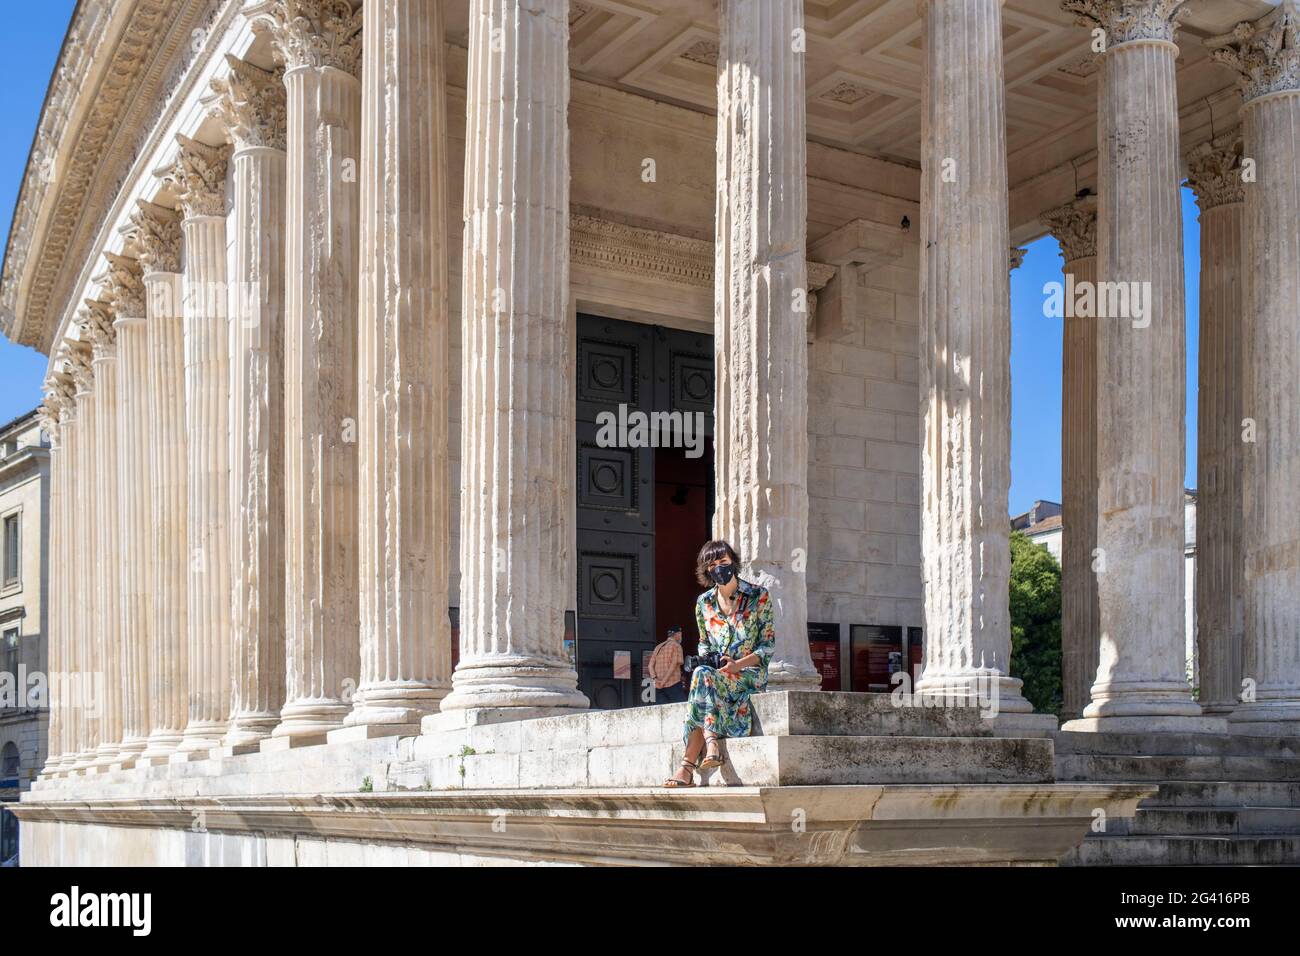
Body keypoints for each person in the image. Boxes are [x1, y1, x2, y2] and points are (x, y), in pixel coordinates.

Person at [663, 539, 773, 787]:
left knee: (701, 679)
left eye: (723, 562)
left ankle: (688, 765)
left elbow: (767, 647)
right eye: (712, 565)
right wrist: (711, 660)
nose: (719, 568)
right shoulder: (704, 603)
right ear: (706, 570)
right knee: (703, 673)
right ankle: (709, 744)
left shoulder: (758, 596)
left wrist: (738, 664)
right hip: (715, 675)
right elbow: (704, 643)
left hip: (749, 675)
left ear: (732, 562)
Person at [647, 626, 686, 703]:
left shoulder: (658, 647)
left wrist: (655, 680)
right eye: (680, 634)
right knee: (681, 709)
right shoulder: (676, 646)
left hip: (658, 687)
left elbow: (650, 666)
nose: (681, 637)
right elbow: (674, 665)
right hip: (673, 684)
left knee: (662, 712)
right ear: (677, 634)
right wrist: (663, 682)